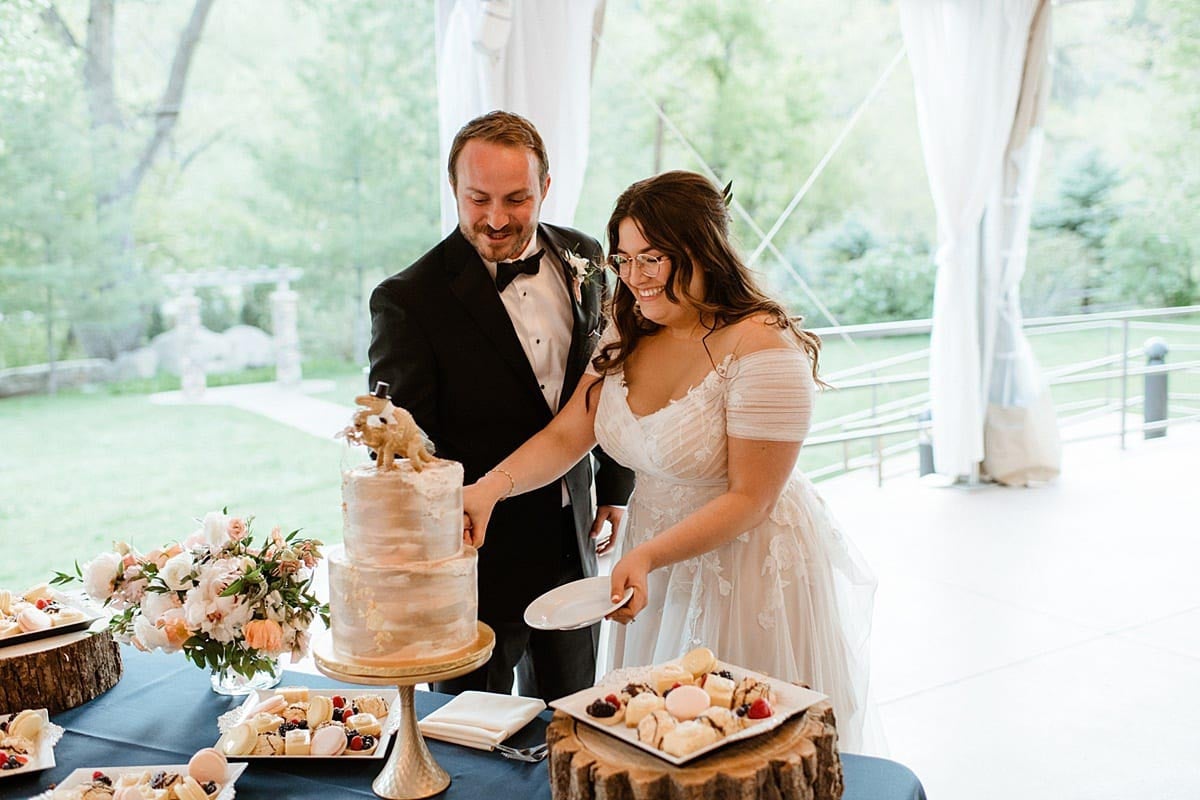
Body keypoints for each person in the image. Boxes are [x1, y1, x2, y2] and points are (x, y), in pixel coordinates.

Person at [462, 170, 878, 751]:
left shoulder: (763, 347)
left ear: (703, 250)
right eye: (624, 259)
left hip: (745, 562)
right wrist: (491, 487)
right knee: (655, 735)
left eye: (653, 259)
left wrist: (650, 554)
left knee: (734, 743)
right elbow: (568, 435)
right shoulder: (628, 326)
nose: (634, 279)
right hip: (654, 551)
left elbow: (751, 499)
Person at [368, 111, 635, 701]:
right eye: (477, 198)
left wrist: (615, 485)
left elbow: (610, 378)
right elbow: (407, 446)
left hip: (574, 538)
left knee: (575, 718)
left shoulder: (585, 256)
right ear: (454, 190)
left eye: (516, 199)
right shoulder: (408, 299)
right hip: (479, 559)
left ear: (546, 186)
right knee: (468, 731)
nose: (495, 219)